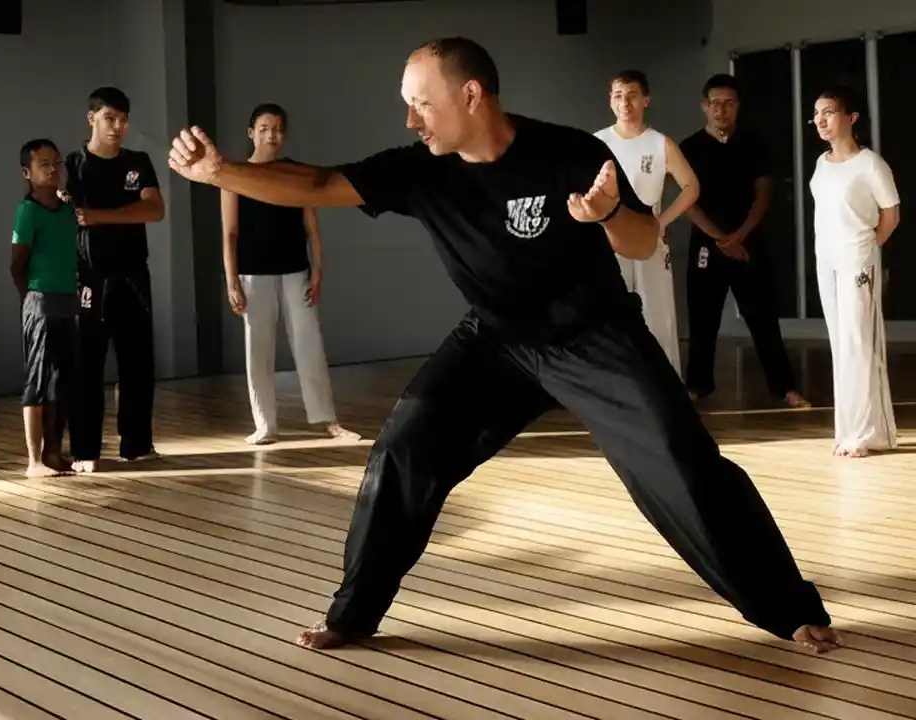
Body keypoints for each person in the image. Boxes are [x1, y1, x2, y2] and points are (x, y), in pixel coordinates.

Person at [168, 37, 841, 655]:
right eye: (407, 107)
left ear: (471, 97)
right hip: (496, 339)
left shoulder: (569, 152)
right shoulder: (421, 170)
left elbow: (643, 242)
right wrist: (222, 172)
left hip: (596, 336)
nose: (411, 121)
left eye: (421, 105)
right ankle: (354, 614)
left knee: (683, 464)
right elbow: (316, 184)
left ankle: (787, 609)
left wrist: (608, 213)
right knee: (405, 448)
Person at [222, 103, 361, 445]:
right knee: (258, 349)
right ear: (251, 132)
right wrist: (231, 281)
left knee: (310, 344)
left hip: (295, 270)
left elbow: (312, 226)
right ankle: (265, 424)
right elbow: (230, 233)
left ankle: (329, 420)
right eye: (265, 127)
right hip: (253, 275)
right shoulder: (235, 175)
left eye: (279, 128)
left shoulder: (295, 172)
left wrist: (317, 270)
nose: (273, 134)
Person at [680, 75, 811, 408]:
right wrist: (720, 238)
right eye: (714, 103)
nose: (720, 109)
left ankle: (785, 387)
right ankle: (697, 386)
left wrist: (738, 236)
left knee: (763, 317)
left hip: (749, 241)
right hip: (707, 244)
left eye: (728, 103)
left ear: (738, 106)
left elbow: (763, 196)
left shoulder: (754, 143)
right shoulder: (689, 148)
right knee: (702, 319)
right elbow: (687, 203)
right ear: (704, 106)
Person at [64, 87, 166, 473]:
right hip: (88, 276)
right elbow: (63, 210)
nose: (118, 126)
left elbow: (154, 209)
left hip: (132, 276)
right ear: (92, 118)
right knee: (87, 366)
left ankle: (137, 444)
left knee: (137, 363)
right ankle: (85, 450)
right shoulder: (73, 164)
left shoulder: (137, 161)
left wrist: (100, 215)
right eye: (110, 118)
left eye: (123, 120)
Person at [808, 86, 901, 457]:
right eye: (816, 114)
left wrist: (866, 248)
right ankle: (852, 428)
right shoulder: (820, 163)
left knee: (859, 341)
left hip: (858, 257)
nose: (820, 120)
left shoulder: (871, 164)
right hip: (826, 258)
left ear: (851, 118)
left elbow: (891, 215)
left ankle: (865, 433)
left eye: (828, 112)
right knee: (840, 342)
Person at [593, 70, 699, 375]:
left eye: (632, 95)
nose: (625, 102)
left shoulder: (659, 143)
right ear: (610, 102)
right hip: (610, 241)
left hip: (648, 239)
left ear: (645, 100)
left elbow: (691, 186)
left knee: (657, 318)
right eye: (618, 96)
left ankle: (667, 390)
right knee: (610, 317)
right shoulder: (598, 143)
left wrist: (662, 222)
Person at [11, 138, 80, 477]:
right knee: (38, 380)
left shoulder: (69, 210)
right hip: (40, 303)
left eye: (57, 162)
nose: (53, 169)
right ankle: (33, 460)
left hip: (69, 302)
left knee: (63, 382)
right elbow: (17, 264)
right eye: (44, 164)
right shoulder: (27, 211)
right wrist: (31, 299)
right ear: (27, 172)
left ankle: (55, 452)